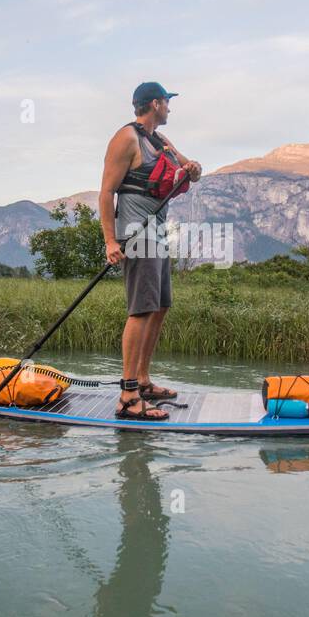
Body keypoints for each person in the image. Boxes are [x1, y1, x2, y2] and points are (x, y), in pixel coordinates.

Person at [98, 82, 202, 421]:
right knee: (141, 309)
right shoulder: (125, 138)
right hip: (135, 234)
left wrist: (191, 166)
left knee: (159, 306)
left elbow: (191, 173)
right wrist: (111, 242)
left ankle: (142, 380)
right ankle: (128, 396)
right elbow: (106, 193)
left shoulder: (160, 142)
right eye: (167, 103)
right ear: (155, 103)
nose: (170, 108)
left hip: (156, 234)